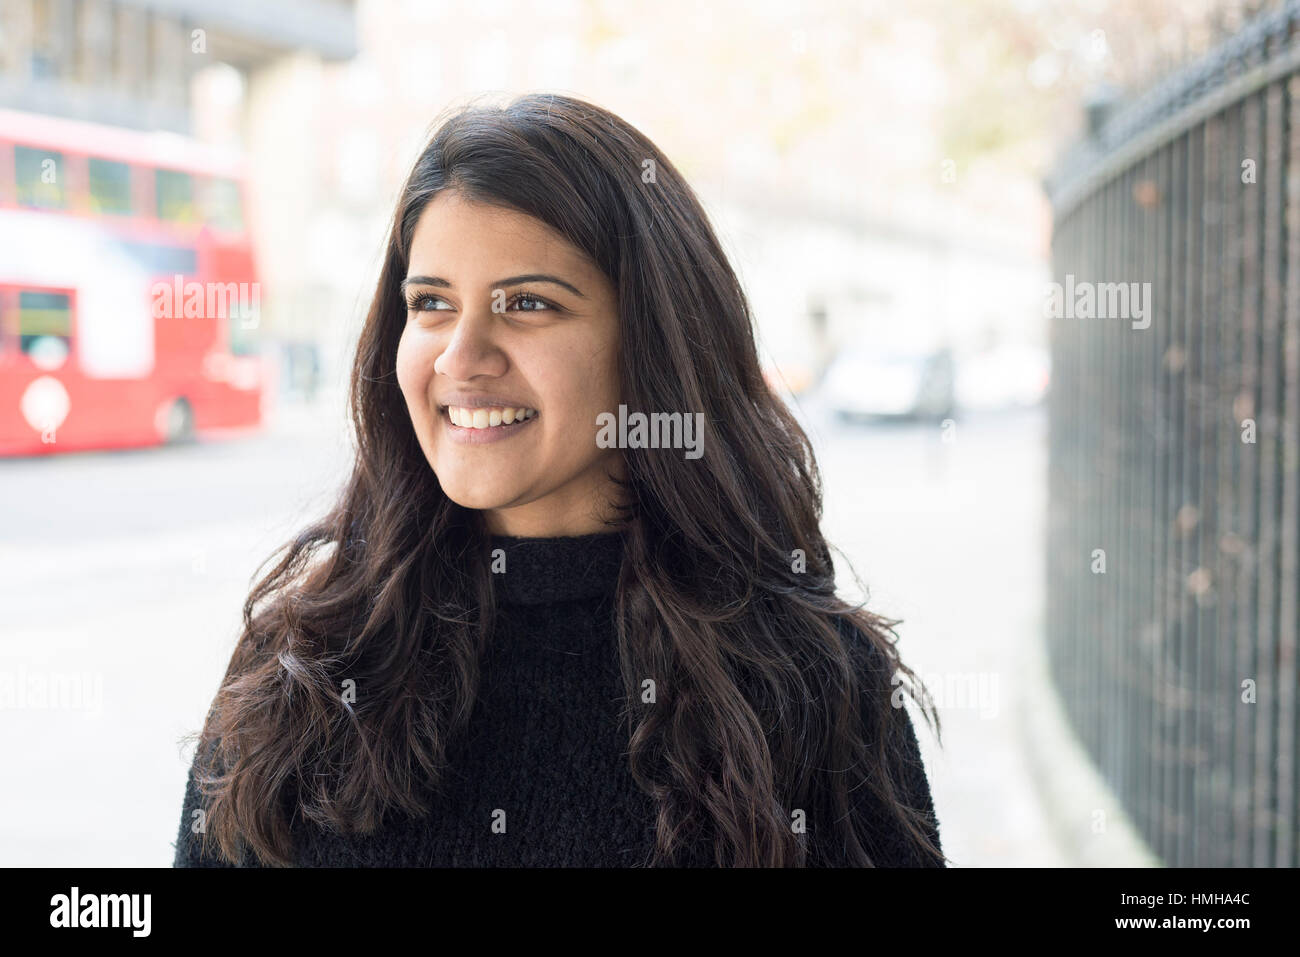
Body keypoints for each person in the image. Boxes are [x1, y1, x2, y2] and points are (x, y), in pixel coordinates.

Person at [172, 92, 946, 868]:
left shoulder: (810, 682)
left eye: (528, 303)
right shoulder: (299, 666)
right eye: (432, 302)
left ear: (652, 336)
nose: (460, 356)